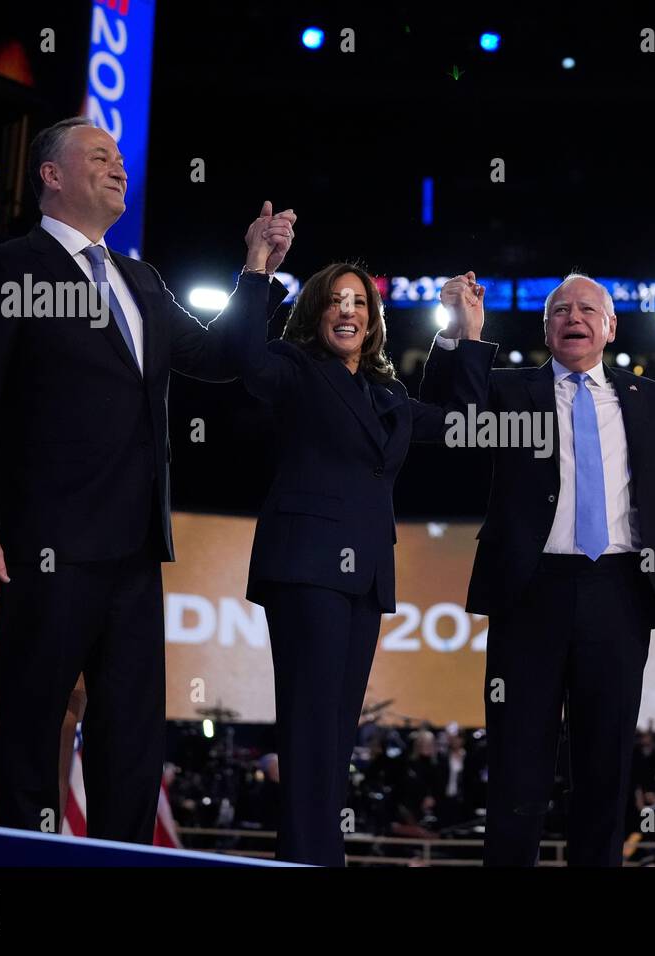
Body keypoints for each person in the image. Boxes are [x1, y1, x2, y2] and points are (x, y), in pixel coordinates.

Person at [0, 117, 258, 842]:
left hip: (136, 552)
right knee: (29, 726)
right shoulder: (7, 268)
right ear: (50, 175)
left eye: (121, 159)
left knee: (133, 738)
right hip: (45, 545)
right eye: (100, 157)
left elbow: (220, 359)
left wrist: (256, 271)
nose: (119, 167)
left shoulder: (139, 279)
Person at [422, 274, 655, 866]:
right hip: (529, 592)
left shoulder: (648, 398)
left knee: (604, 764)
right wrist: (468, 331)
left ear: (612, 327)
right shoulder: (509, 390)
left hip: (618, 590)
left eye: (588, 307)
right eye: (560, 308)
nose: (573, 315)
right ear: (545, 328)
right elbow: (455, 422)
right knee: (518, 763)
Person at [224, 222, 497, 866]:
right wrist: (258, 267)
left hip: (365, 576)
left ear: (373, 321)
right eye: (334, 301)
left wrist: (465, 331)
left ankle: (320, 856)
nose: (347, 311)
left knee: (337, 731)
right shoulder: (294, 368)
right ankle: (308, 858)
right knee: (310, 725)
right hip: (307, 569)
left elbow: (466, 424)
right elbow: (242, 358)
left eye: (359, 303)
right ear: (316, 313)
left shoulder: (388, 394)